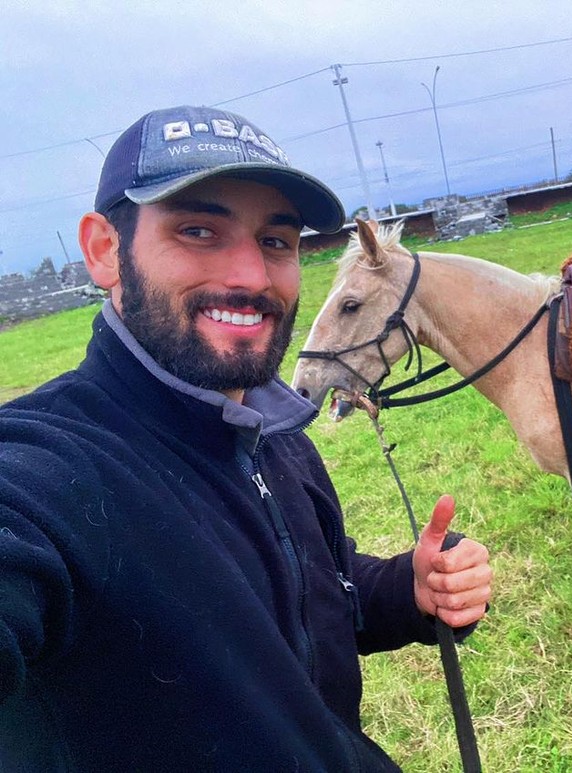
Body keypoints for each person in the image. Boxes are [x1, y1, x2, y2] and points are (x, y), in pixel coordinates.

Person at [0, 105, 492, 771]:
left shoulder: (276, 437)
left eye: (275, 241)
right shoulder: (51, 471)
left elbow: (317, 594)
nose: (252, 278)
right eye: (199, 230)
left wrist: (408, 588)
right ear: (104, 250)